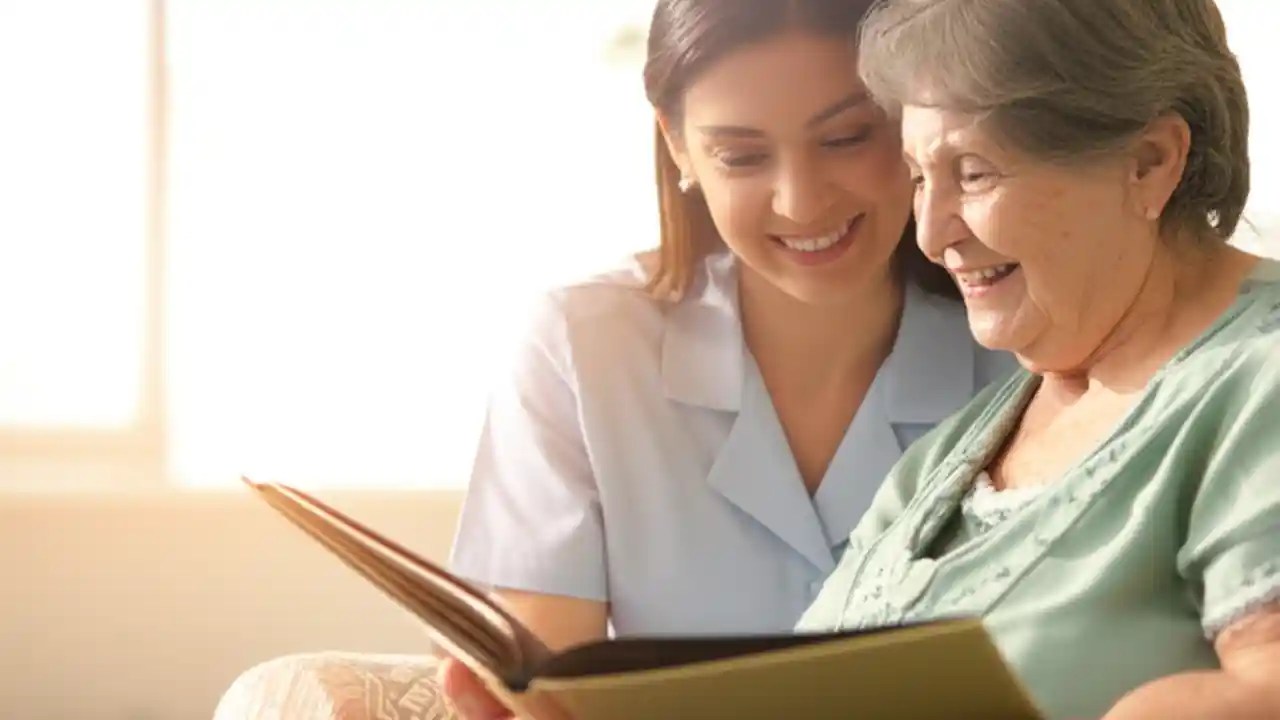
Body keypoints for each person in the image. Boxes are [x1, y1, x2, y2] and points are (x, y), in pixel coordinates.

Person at [438, 0, 1013, 716]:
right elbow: (548, 674)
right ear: (676, 145)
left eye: (845, 137)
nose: (802, 203)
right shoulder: (581, 348)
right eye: (742, 156)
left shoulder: (1025, 351)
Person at [795, 1, 1280, 719]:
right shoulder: (945, 464)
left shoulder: (1259, 379)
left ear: (1149, 163)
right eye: (920, 178)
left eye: (975, 173)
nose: (930, 235)